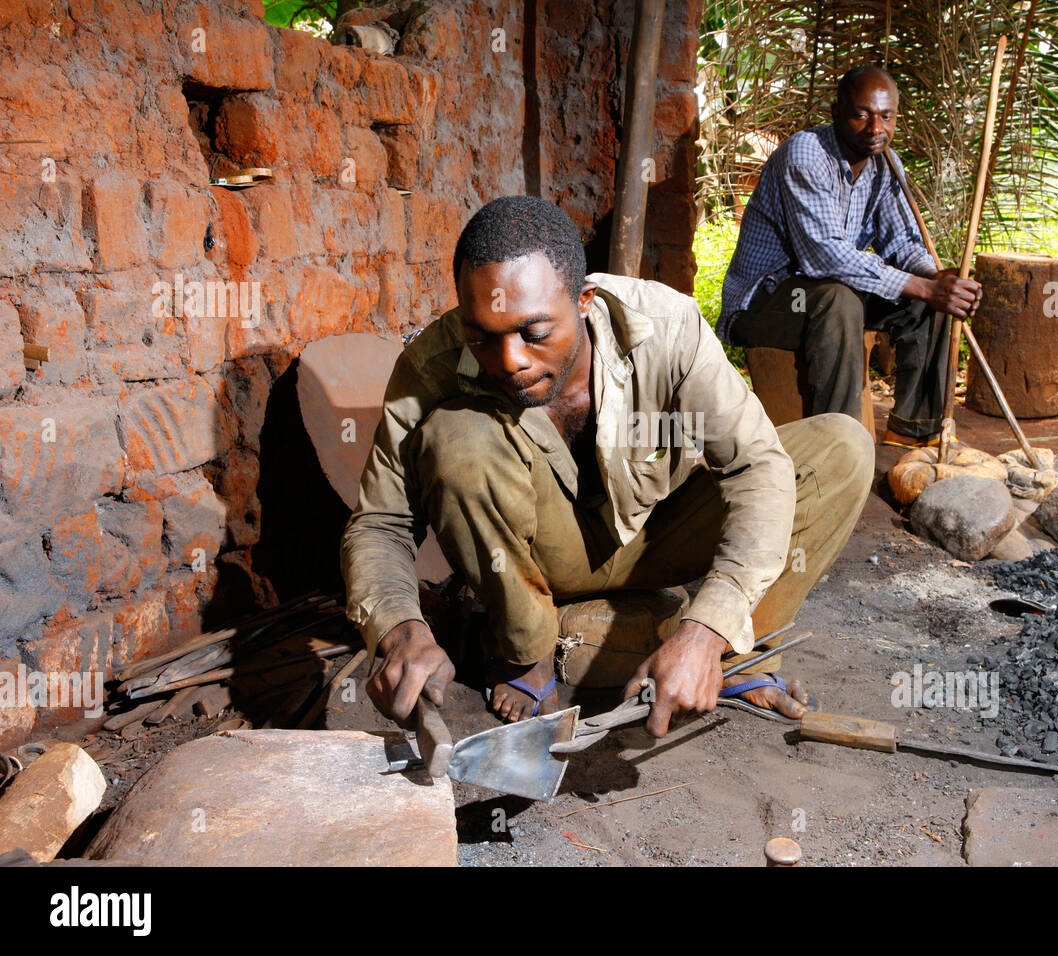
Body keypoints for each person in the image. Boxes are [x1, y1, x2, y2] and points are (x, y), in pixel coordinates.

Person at [341, 196, 873, 736]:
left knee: (840, 447)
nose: (510, 361)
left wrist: (705, 629)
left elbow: (754, 466)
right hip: (541, 559)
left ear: (586, 301)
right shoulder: (432, 366)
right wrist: (399, 628)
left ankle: (733, 658)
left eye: (535, 332)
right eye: (481, 336)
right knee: (458, 437)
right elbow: (381, 522)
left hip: (655, 533)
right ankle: (526, 654)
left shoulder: (665, 327)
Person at [719, 65, 983, 448]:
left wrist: (937, 278)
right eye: (862, 115)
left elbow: (904, 246)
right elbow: (824, 257)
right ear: (836, 113)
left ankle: (915, 434)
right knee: (837, 298)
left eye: (886, 116)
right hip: (768, 302)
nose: (876, 129)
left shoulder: (887, 163)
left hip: (830, 294)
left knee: (935, 299)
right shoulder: (805, 155)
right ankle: (840, 448)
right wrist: (922, 286)